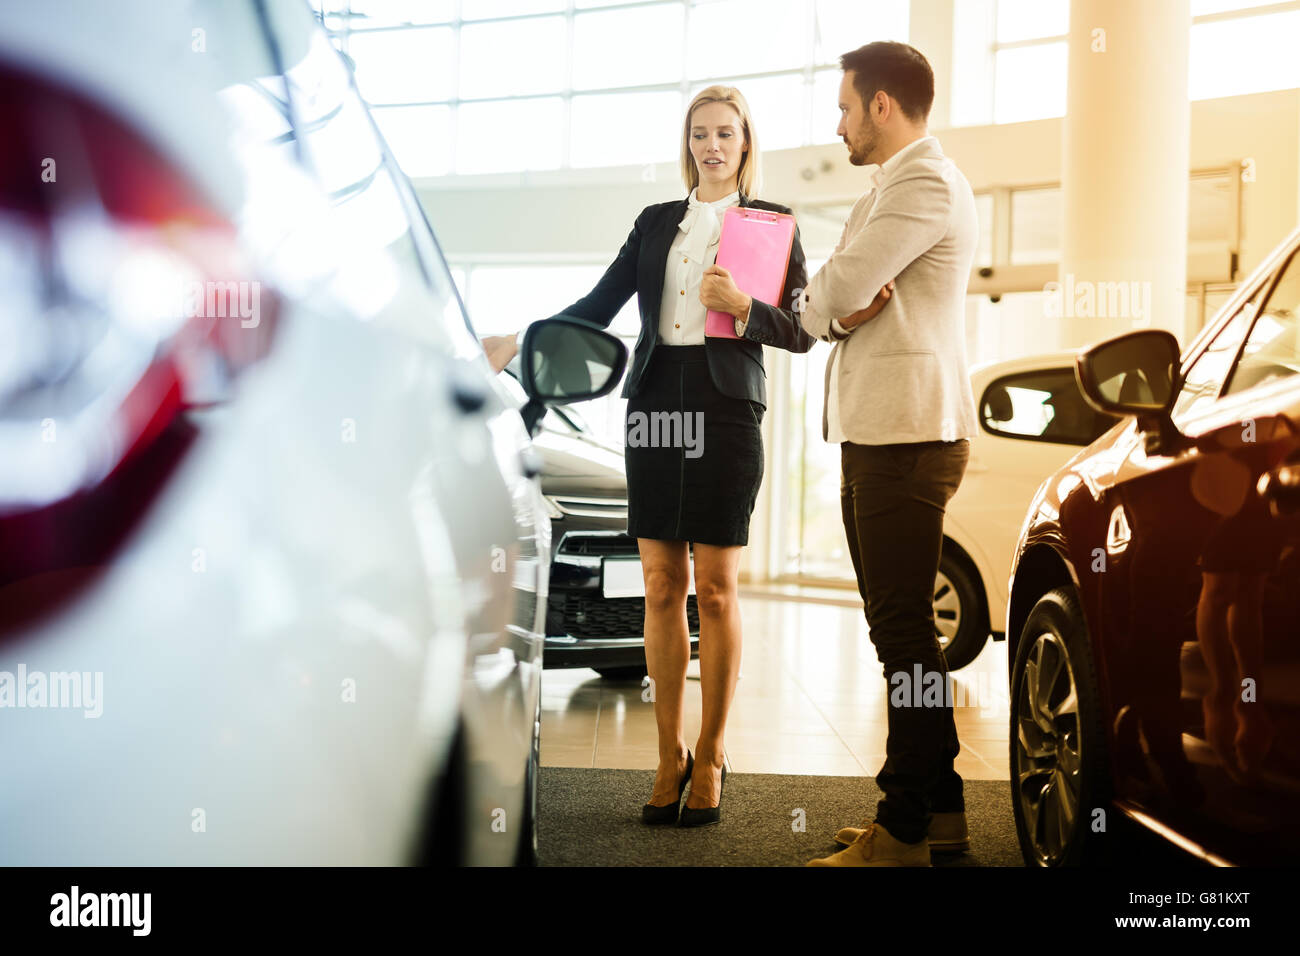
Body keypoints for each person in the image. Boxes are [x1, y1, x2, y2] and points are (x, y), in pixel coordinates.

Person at [543, 85, 892, 827]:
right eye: (700, 133)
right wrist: (525, 339)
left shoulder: (770, 227)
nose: (711, 144)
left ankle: (712, 753)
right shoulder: (656, 222)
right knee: (661, 584)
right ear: (689, 143)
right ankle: (667, 755)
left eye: (725, 133)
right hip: (655, 399)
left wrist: (741, 307)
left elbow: (800, 328)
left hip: (726, 403)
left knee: (718, 587)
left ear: (744, 143)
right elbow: (596, 307)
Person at [799, 42, 980, 867]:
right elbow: (836, 306)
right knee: (899, 632)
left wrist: (830, 306)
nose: (839, 124)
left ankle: (902, 828)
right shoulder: (890, 186)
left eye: (844, 107)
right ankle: (939, 816)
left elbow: (830, 292)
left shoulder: (923, 181)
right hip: (878, 432)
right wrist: (833, 308)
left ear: (881, 105)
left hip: (909, 435)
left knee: (904, 633)